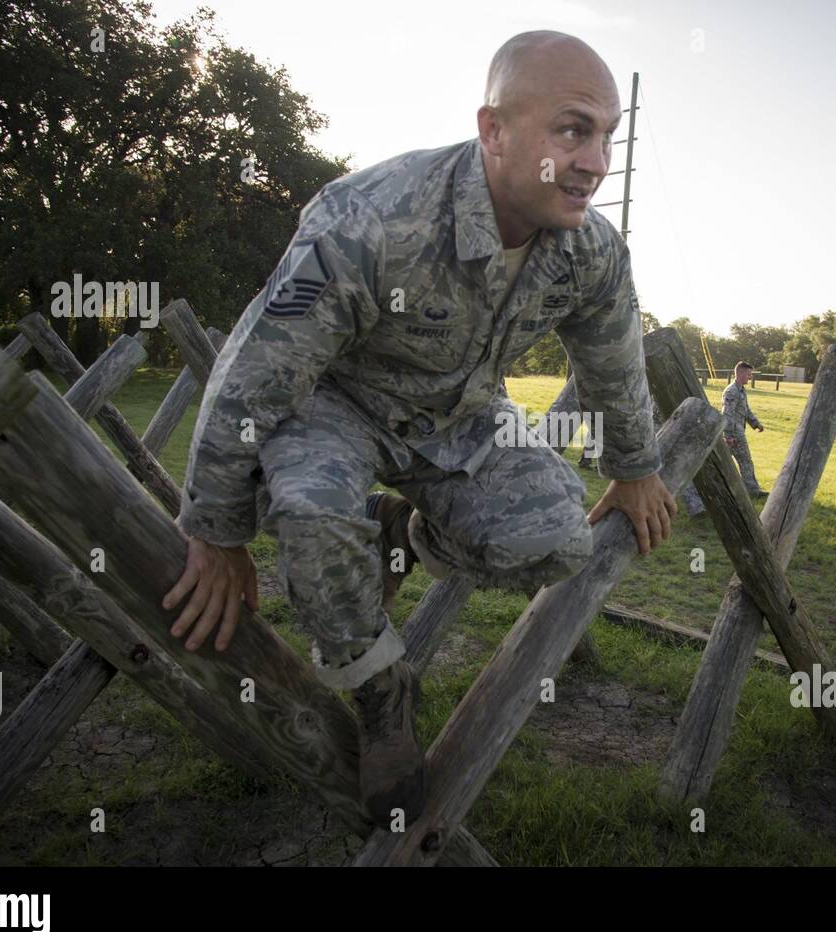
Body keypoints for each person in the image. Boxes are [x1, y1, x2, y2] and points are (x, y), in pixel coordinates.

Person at [161, 31, 677, 827]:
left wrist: (635, 463)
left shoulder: (591, 251)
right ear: (493, 129)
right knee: (312, 511)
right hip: (334, 404)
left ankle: (400, 532)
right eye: (574, 128)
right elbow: (256, 373)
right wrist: (219, 529)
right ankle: (380, 690)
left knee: (557, 538)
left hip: (459, 415)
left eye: (609, 133)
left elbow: (611, 359)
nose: (596, 160)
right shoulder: (371, 217)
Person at [721, 361, 766, 496]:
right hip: (735, 434)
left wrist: (755, 423)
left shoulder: (741, 390)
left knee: (723, 462)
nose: (750, 377)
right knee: (745, 461)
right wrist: (729, 435)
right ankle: (753, 491)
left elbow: (745, 410)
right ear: (740, 374)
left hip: (737, 431)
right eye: (748, 374)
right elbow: (727, 414)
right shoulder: (732, 391)